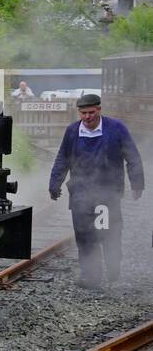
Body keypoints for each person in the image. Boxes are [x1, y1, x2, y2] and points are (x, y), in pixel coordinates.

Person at [48, 94, 144, 290]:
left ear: (99, 110)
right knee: (84, 235)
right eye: (84, 113)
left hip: (107, 194)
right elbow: (62, 159)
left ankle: (113, 264)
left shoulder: (116, 128)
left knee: (107, 232)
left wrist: (137, 183)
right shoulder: (72, 131)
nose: (88, 117)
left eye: (91, 112)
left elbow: (132, 156)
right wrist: (54, 184)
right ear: (79, 113)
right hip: (80, 194)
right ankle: (90, 275)